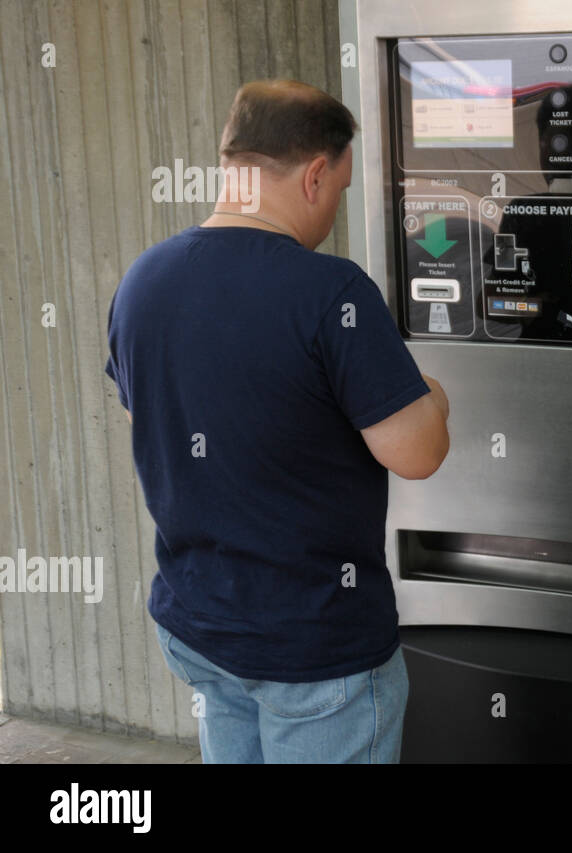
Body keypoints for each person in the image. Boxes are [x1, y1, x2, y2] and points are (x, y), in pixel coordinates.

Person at [104, 79, 450, 763]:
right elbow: (418, 452)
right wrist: (430, 392)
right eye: (342, 187)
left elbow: (168, 413)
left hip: (200, 626)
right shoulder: (332, 292)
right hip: (316, 648)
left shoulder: (143, 281)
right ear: (316, 174)